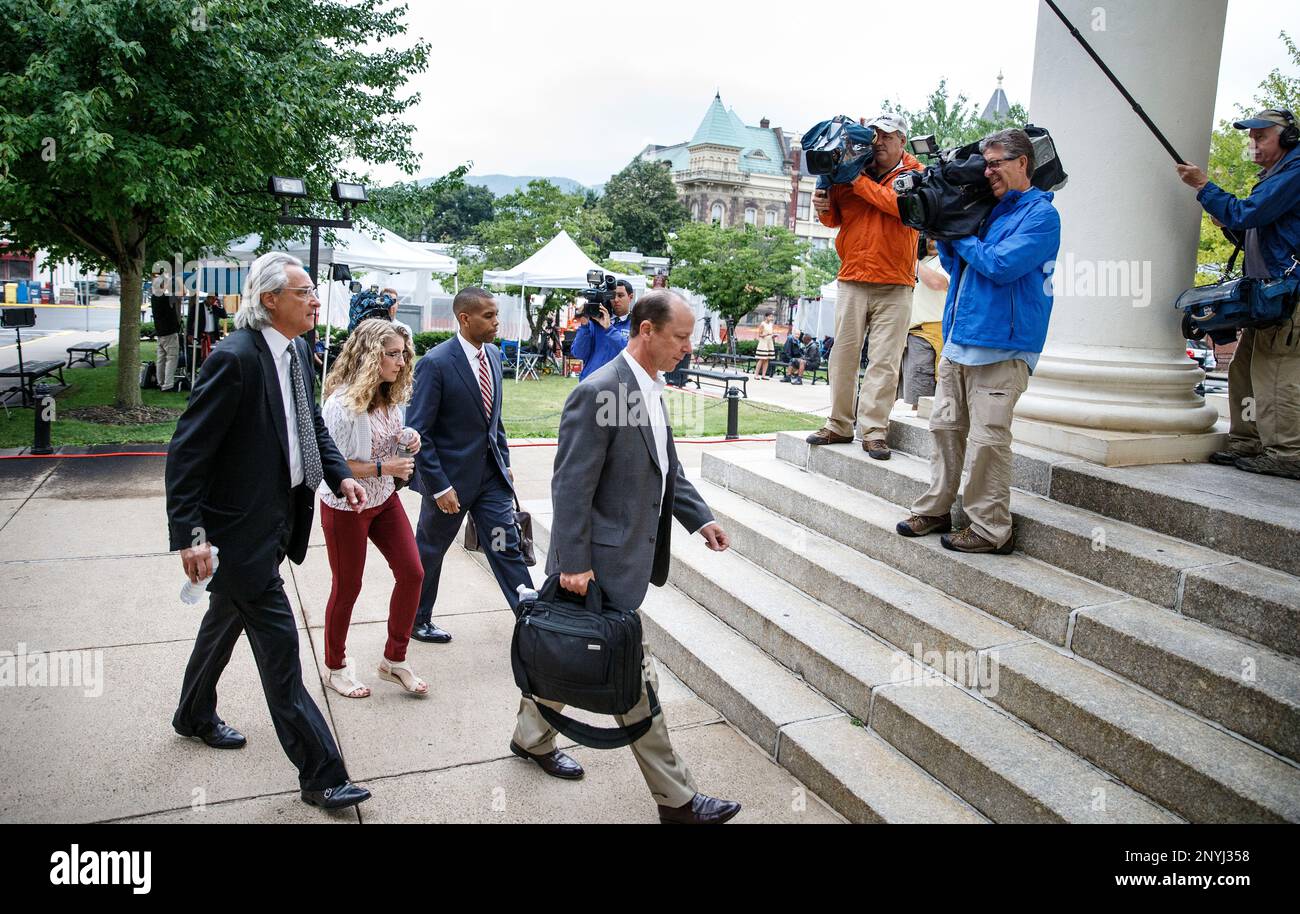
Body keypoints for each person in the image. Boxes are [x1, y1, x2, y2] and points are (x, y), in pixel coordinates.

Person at [513, 290, 742, 824]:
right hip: (597, 566)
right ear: (646, 331)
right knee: (631, 679)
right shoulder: (598, 391)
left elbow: (668, 471)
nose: (689, 347)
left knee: (572, 656)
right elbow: (571, 485)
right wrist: (572, 561)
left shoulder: (650, 388)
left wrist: (700, 518)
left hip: (625, 563)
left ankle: (530, 737)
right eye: (681, 337)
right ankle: (678, 801)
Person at [165, 251, 372, 811]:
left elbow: (308, 428)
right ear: (269, 300)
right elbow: (188, 453)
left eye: (312, 292)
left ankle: (193, 713)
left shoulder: (298, 350)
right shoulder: (234, 360)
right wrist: (191, 534)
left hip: (280, 522)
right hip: (239, 536)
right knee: (282, 654)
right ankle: (322, 773)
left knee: (223, 621)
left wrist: (339, 475)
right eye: (303, 292)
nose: (313, 299)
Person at [896, 129, 1061, 555]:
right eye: (984, 164)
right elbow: (954, 262)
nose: (986, 172)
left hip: (1003, 348)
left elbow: (1001, 265)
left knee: (988, 442)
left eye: (995, 163)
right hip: (959, 340)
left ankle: (990, 530)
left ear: (1023, 163)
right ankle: (934, 509)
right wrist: (945, 225)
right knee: (945, 429)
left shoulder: (1041, 216)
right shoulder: (987, 209)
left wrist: (961, 232)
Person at [1177, 108, 1300, 479]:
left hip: (1287, 296)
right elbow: (1252, 230)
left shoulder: (1294, 172)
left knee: (1276, 372)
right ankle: (1248, 440)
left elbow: (1249, 214)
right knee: (1244, 371)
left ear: (1287, 137)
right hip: (1266, 297)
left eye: (1261, 136)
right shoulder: (1275, 176)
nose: (1254, 144)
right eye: (1252, 137)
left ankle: (1287, 454)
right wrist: (1227, 217)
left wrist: (1205, 187)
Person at [406, 287, 532, 646]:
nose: (497, 322)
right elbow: (420, 433)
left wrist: (504, 464)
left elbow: (494, 421)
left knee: (505, 543)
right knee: (429, 552)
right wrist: (440, 487)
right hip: (450, 484)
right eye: (489, 316)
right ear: (465, 319)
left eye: (496, 315)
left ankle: (531, 619)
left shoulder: (492, 355)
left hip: (490, 479)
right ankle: (417, 619)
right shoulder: (436, 363)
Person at [317, 319, 427, 699]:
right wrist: (386, 467)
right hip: (346, 506)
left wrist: (405, 440)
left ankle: (394, 660)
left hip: (383, 500)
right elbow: (332, 463)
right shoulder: (342, 404)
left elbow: (388, 443)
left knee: (413, 573)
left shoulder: (388, 396)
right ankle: (335, 667)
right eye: (392, 354)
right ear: (369, 356)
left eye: (402, 354)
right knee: (347, 587)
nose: (400, 362)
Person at [806, 113, 922, 460]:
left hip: (896, 283)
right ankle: (839, 423)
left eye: (888, 136)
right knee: (842, 355)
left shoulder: (914, 174)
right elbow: (833, 219)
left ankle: (874, 432)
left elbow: (898, 206)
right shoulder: (850, 166)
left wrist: (854, 179)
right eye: (875, 136)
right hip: (853, 277)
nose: (880, 142)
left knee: (884, 361)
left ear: (902, 141)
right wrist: (822, 205)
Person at [902, 236, 947, 410]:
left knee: (923, 395)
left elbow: (938, 283)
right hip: (908, 333)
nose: (932, 239)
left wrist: (912, 261)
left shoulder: (947, 259)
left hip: (930, 334)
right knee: (905, 389)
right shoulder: (922, 260)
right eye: (929, 234)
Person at [571, 279, 633, 379]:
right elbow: (579, 353)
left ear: (630, 297)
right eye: (613, 296)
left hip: (617, 385)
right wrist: (584, 326)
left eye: (620, 295)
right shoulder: (595, 321)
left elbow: (630, 354)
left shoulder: (636, 325)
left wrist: (609, 328)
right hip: (590, 383)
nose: (616, 300)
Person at [151, 270, 181, 391]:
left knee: (161, 358)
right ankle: (168, 384)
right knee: (171, 358)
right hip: (169, 331)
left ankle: (160, 381)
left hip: (160, 331)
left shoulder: (154, 297)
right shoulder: (166, 297)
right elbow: (177, 296)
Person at [755, 310, 777, 379]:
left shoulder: (771, 324)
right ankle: (756, 374)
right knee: (761, 358)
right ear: (766, 317)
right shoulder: (762, 324)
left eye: (772, 317)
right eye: (770, 317)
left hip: (769, 342)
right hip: (763, 342)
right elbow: (759, 334)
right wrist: (766, 334)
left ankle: (763, 375)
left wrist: (773, 336)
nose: (771, 318)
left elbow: (771, 333)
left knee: (767, 359)